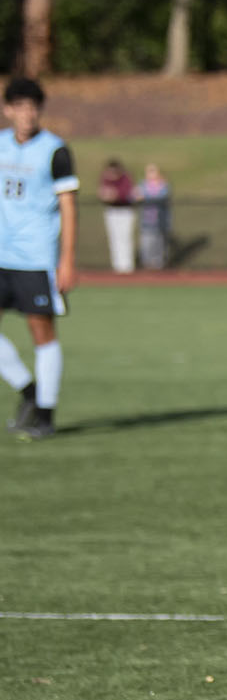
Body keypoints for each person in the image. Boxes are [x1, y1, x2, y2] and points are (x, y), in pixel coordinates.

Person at [0, 79, 77, 441]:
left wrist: (67, 259)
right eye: (20, 106)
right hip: (1, 254)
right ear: (7, 110)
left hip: (36, 257)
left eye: (33, 106)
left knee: (41, 331)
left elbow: (68, 206)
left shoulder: (54, 150)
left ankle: (45, 413)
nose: (27, 113)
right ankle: (28, 391)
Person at [98, 159, 137, 274]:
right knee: (114, 238)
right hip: (111, 210)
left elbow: (128, 194)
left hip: (125, 210)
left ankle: (127, 266)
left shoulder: (125, 178)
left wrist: (116, 195)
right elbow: (102, 193)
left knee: (125, 237)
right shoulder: (105, 178)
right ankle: (118, 266)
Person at [135, 163, 170, 269]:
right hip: (146, 222)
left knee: (159, 245)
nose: (151, 174)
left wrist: (144, 198)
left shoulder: (163, 185)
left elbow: (161, 198)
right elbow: (133, 196)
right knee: (146, 244)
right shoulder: (142, 185)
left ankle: (158, 267)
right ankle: (147, 266)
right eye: (149, 171)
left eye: (153, 171)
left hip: (160, 221)